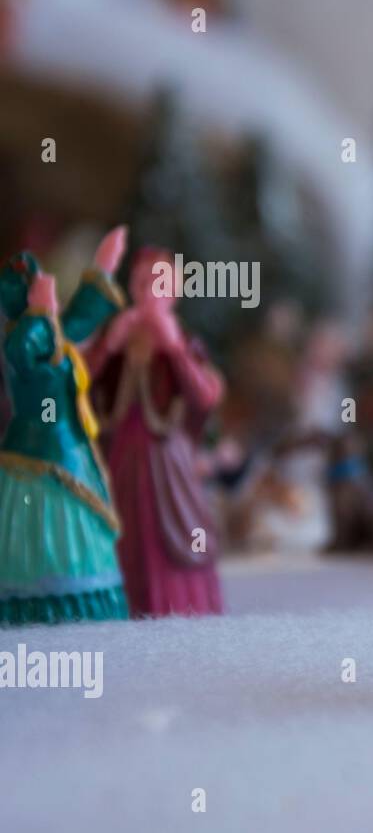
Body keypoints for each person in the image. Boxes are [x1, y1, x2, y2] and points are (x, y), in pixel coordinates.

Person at [0, 228, 130, 624]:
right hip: (36, 462)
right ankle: (41, 610)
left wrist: (102, 269)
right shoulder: (27, 339)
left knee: (84, 542)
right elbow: (23, 350)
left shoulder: (51, 332)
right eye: (39, 290)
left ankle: (86, 610)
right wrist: (41, 311)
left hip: (73, 457)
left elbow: (76, 321)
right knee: (38, 539)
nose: (51, 298)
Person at [86, 248, 224, 616]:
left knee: (178, 526)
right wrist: (109, 346)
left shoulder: (183, 341)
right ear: (131, 287)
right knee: (123, 530)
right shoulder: (119, 336)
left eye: (159, 283)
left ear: (174, 291)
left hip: (168, 456)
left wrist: (174, 348)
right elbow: (82, 381)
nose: (150, 291)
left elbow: (204, 396)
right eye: (143, 282)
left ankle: (181, 604)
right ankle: (125, 603)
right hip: (123, 455)